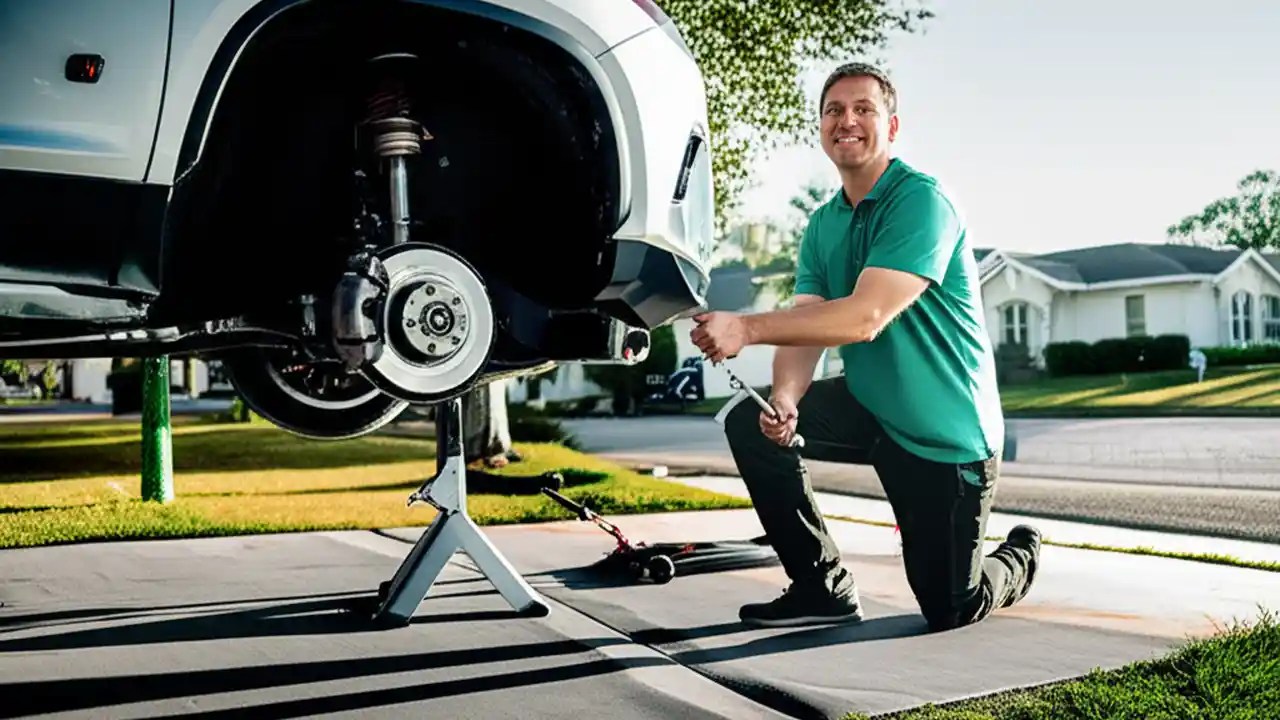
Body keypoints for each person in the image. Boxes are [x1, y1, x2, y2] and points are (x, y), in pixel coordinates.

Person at [690, 62, 1041, 632]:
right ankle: (820, 588)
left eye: (862, 109)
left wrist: (747, 328)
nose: (845, 120)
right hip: (872, 407)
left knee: (949, 606)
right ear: (821, 128)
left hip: (945, 436)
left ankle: (1021, 554)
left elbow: (865, 317)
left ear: (892, 127)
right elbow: (808, 327)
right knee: (747, 420)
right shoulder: (823, 224)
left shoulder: (921, 203)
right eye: (833, 110)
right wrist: (785, 399)